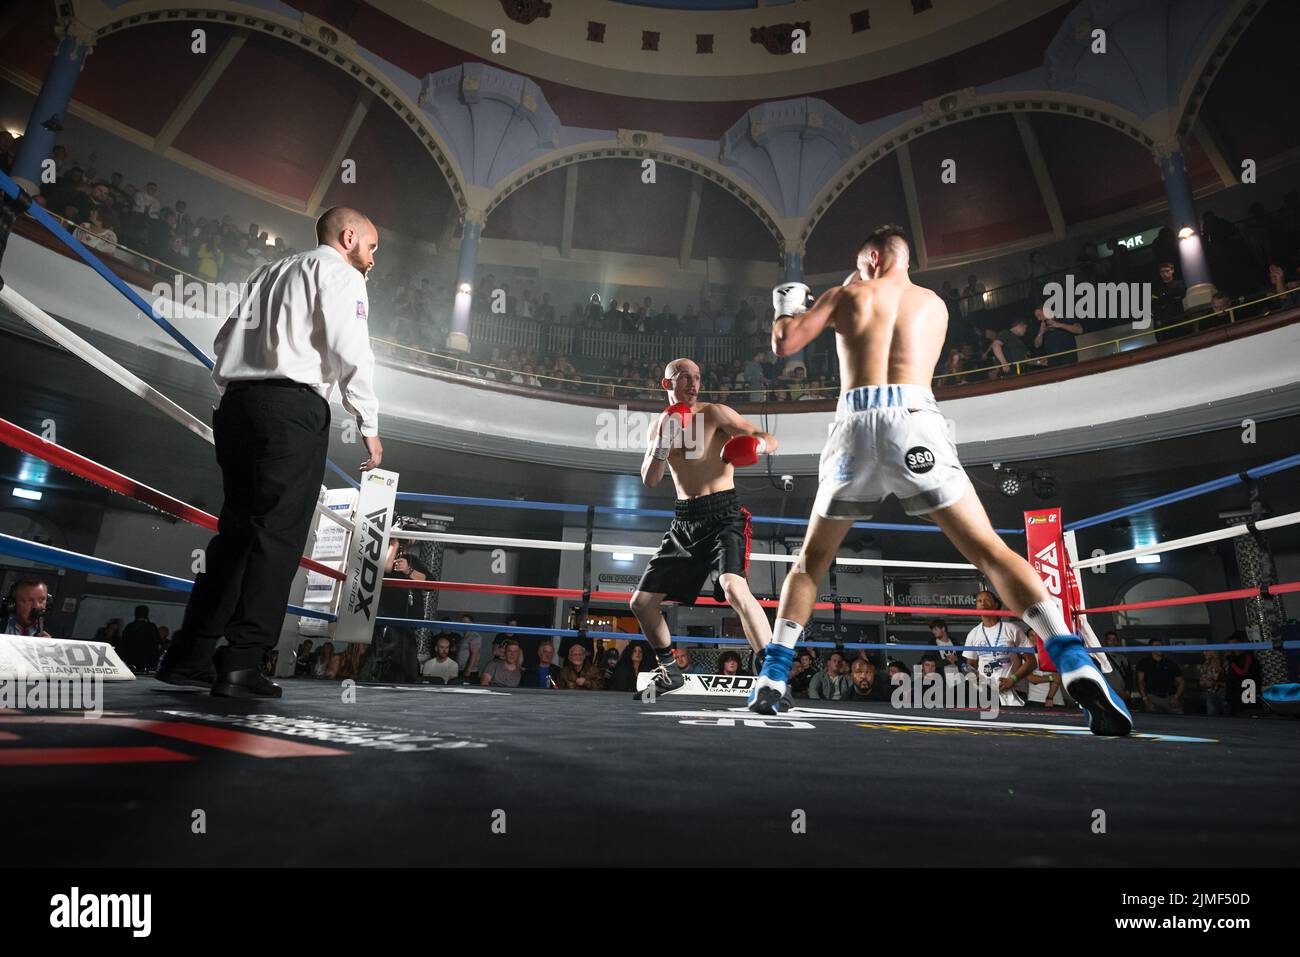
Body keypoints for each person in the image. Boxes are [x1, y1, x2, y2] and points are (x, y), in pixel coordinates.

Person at [748, 224, 1131, 736]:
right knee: (989, 551)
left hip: (854, 428)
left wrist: (788, 305)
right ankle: (1071, 657)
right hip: (915, 422)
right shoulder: (933, 304)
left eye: (860, 257)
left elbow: (785, 343)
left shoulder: (846, 293)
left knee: (811, 561)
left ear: (874, 255)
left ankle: (772, 678)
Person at [156, 206, 383, 698]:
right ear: (349, 238)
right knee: (276, 536)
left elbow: (224, 338)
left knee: (236, 532)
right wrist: (369, 423)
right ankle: (240, 664)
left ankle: (188, 657)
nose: (372, 260)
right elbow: (352, 351)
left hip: (237, 404)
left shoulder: (269, 271)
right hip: (291, 408)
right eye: (371, 248)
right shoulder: (341, 274)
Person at [629, 356, 782, 702]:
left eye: (697, 377)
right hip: (685, 520)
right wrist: (661, 447)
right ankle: (670, 672)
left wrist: (756, 445)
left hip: (723, 513)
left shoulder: (714, 414)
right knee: (641, 603)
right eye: (685, 377)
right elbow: (650, 479)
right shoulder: (660, 425)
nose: (694, 384)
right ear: (667, 383)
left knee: (733, 587)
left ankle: (772, 676)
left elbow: (765, 436)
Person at [961, 591, 1035, 707]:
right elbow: (970, 665)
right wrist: (973, 675)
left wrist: (1013, 679)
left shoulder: (1011, 629)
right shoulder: (973, 634)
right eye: (979, 601)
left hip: (1015, 690)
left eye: (987, 600)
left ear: (996, 604)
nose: (983, 603)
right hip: (986, 693)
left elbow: (1031, 662)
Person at [1137, 646, 1185, 714]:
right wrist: (1145, 700)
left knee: (1180, 720)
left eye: (1161, 646)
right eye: (1157, 646)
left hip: (1170, 698)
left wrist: (1176, 697)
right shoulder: (1144, 663)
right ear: (1151, 648)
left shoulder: (1170, 663)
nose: (1160, 648)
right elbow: (1140, 682)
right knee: (1153, 722)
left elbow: (1181, 682)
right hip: (1152, 698)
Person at [118, 605, 162, 673]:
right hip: (147, 661)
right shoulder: (151, 626)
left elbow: (123, 643)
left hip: (131, 660)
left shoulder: (130, 626)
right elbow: (157, 643)